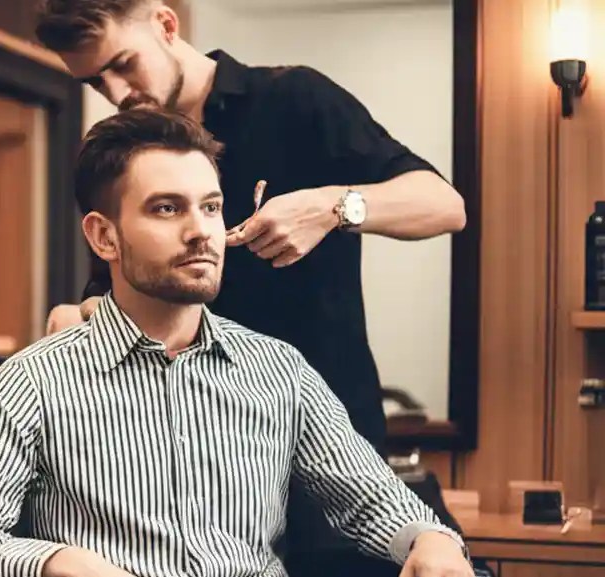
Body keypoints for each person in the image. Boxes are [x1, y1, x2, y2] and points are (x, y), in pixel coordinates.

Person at [0, 109, 474, 577]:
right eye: (166, 209)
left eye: (211, 207)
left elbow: (371, 499)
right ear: (104, 237)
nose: (201, 231)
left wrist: (431, 539)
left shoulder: (279, 371)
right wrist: (67, 565)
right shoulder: (35, 381)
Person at [36, 0, 466, 454]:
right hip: (197, 444)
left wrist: (330, 206)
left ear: (165, 24)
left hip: (321, 434)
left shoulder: (294, 99)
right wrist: (84, 313)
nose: (117, 93)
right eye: (96, 81)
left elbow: (445, 205)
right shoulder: (124, 152)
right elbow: (117, 285)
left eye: (124, 65)